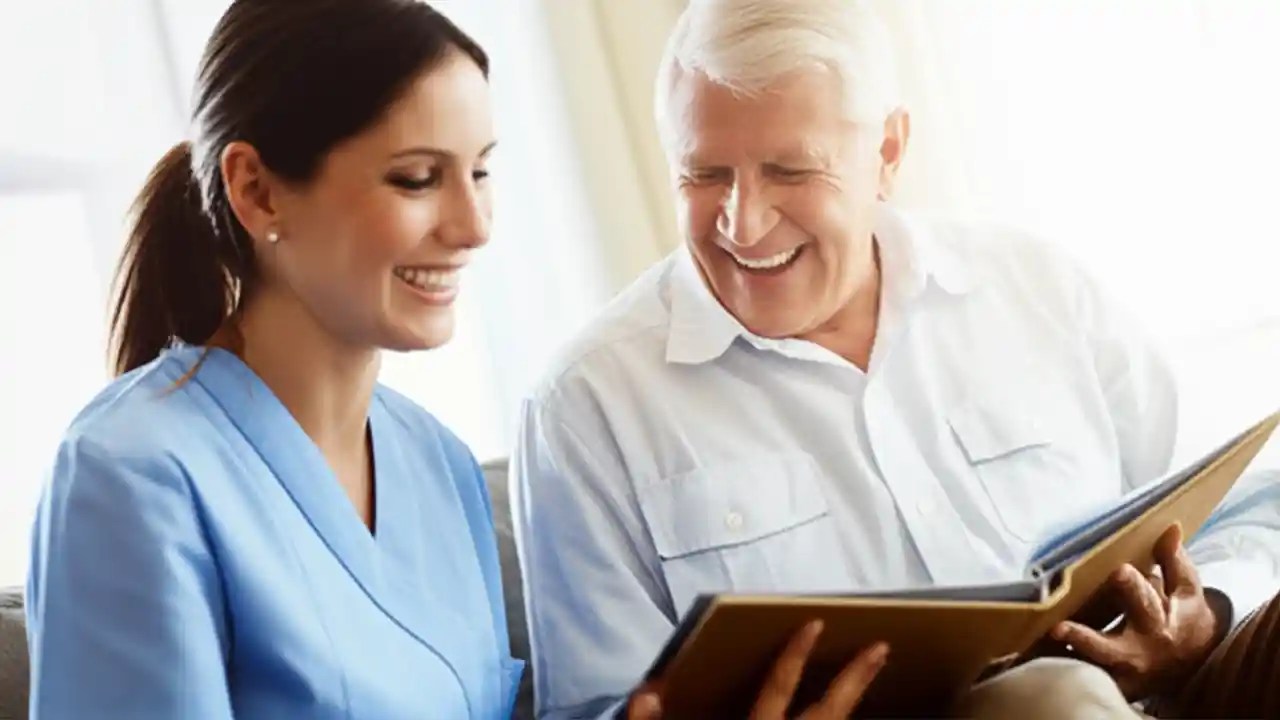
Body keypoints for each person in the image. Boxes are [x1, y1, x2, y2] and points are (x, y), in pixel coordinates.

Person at [510, 0, 1280, 717]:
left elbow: (1251, 506)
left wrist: (1204, 614)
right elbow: (596, 706)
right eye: (704, 175)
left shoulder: (1035, 287)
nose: (743, 223)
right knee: (1053, 697)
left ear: (886, 150)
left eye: (790, 170)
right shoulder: (586, 409)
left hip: (1179, 691)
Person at [24, 1, 519, 717]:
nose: (473, 227)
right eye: (416, 179)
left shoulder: (440, 464)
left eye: (479, 172)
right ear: (256, 190)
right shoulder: (131, 473)